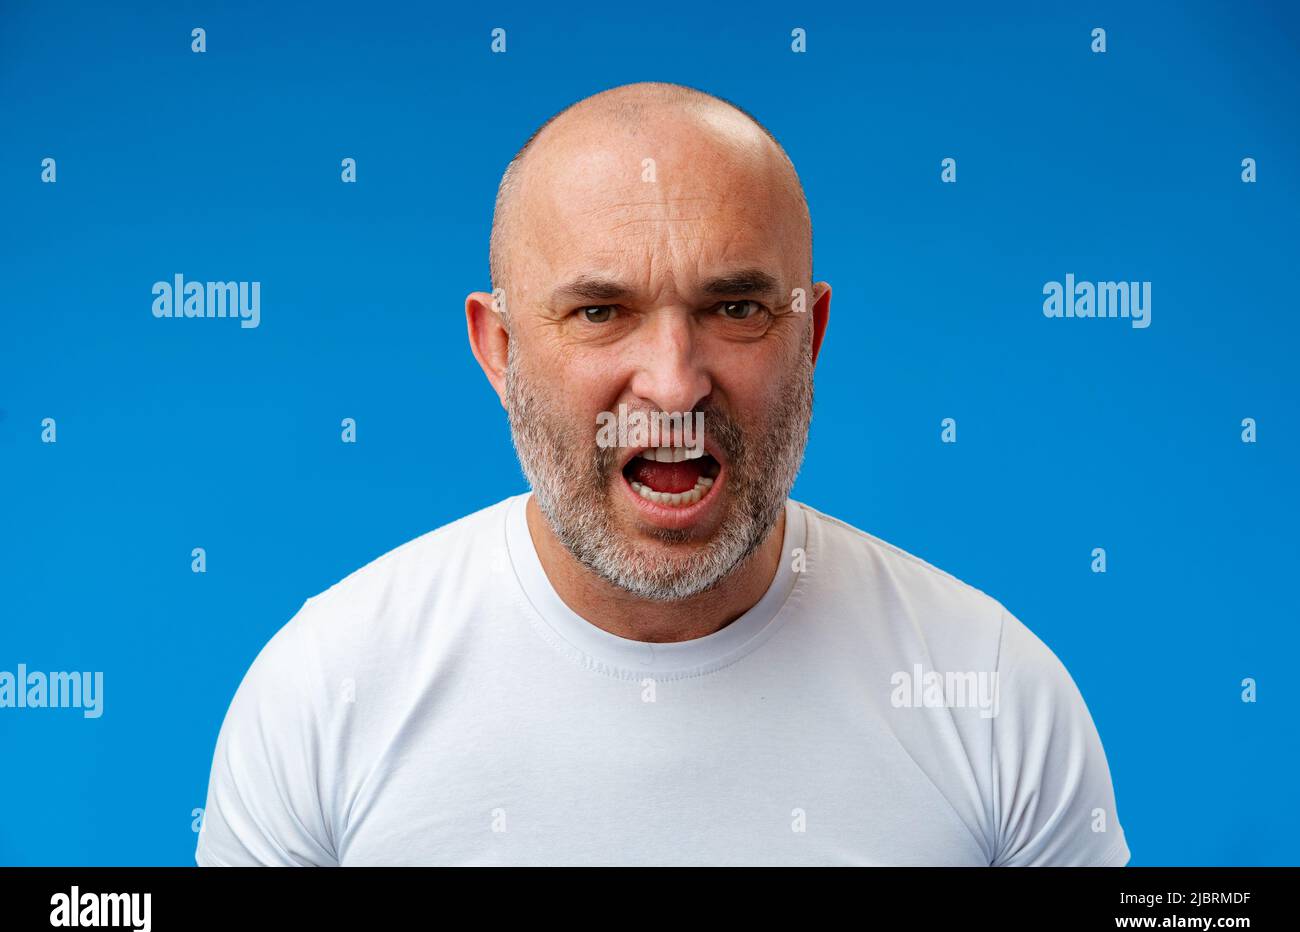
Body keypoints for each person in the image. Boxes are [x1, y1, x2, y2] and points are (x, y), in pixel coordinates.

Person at [195, 81, 1130, 866]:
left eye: (735, 307)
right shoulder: (324, 691)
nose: (676, 381)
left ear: (809, 336)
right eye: (601, 312)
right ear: (501, 349)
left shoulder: (993, 693)